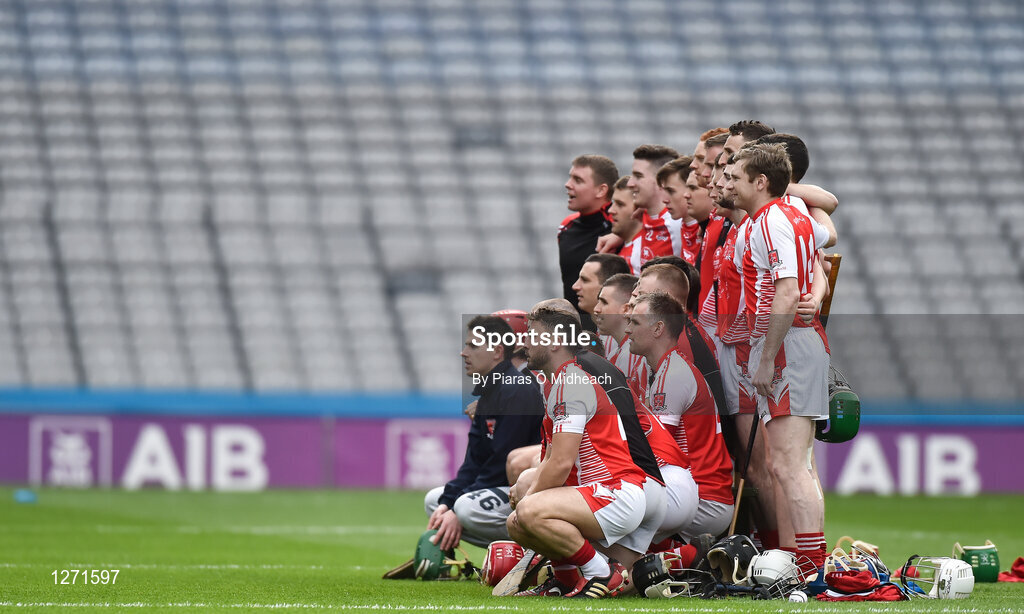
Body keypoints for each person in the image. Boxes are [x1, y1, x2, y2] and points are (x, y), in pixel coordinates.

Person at [507, 303, 665, 598]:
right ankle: (565, 581)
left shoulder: (571, 383)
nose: (523, 341)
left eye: (531, 334)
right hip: (608, 492)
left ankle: (603, 572)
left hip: (617, 493)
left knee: (527, 511)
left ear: (554, 342)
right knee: (518, 521)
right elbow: (552, 459)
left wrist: (526, 504)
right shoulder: (558, 382)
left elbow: (561, 464)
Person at [727, 143, 831, 574]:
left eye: (735, 176)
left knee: (789, 465)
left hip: (789, 346)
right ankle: (808, 565)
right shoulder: (788, 214)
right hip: (794, 342)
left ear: (760, 181)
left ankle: (810, 571)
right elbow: (818, 268)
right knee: (785, 463)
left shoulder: (771, 221)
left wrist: (766, 358)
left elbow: (787, 291)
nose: (727, 182)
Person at [423, 315, 545, 550]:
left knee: (466, 509)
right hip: (499, 485)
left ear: (497, 351)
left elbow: (501, 464)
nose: (464, 352)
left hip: (525, 490)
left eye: (473, 345)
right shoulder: (489, 391)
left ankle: (533, 551)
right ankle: (515, 551)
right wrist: (449, 503)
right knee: (435, 501)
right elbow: (474, 461)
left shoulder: (516, 391)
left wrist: (458, 507)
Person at [625, 292, 735, 540]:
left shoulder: (673, 374)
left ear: (658, 329)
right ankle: (684, 558)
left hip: (704, 498)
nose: (627, 329)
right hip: (690, 489)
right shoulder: (650, 368)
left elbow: (657, 451)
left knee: (611, 507)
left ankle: (686, 556)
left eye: (635, 322)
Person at [559, 155, 620, 330]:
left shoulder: (620, 227)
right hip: (576, 331)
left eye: (577, 180)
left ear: (601, 190)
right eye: (570, 177)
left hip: (609, 330)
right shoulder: (566, 227)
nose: (568, 184)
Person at [571, 253, 631, 355]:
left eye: (585, 280)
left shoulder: (628, 347)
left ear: (609, 285)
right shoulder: (605, 336)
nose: (575, 286)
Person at [607, 176, 644, 274]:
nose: (611, 210)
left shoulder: (642, 252)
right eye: (613, 203)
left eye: (620, 204)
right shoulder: (622, 245)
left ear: (638, 209)